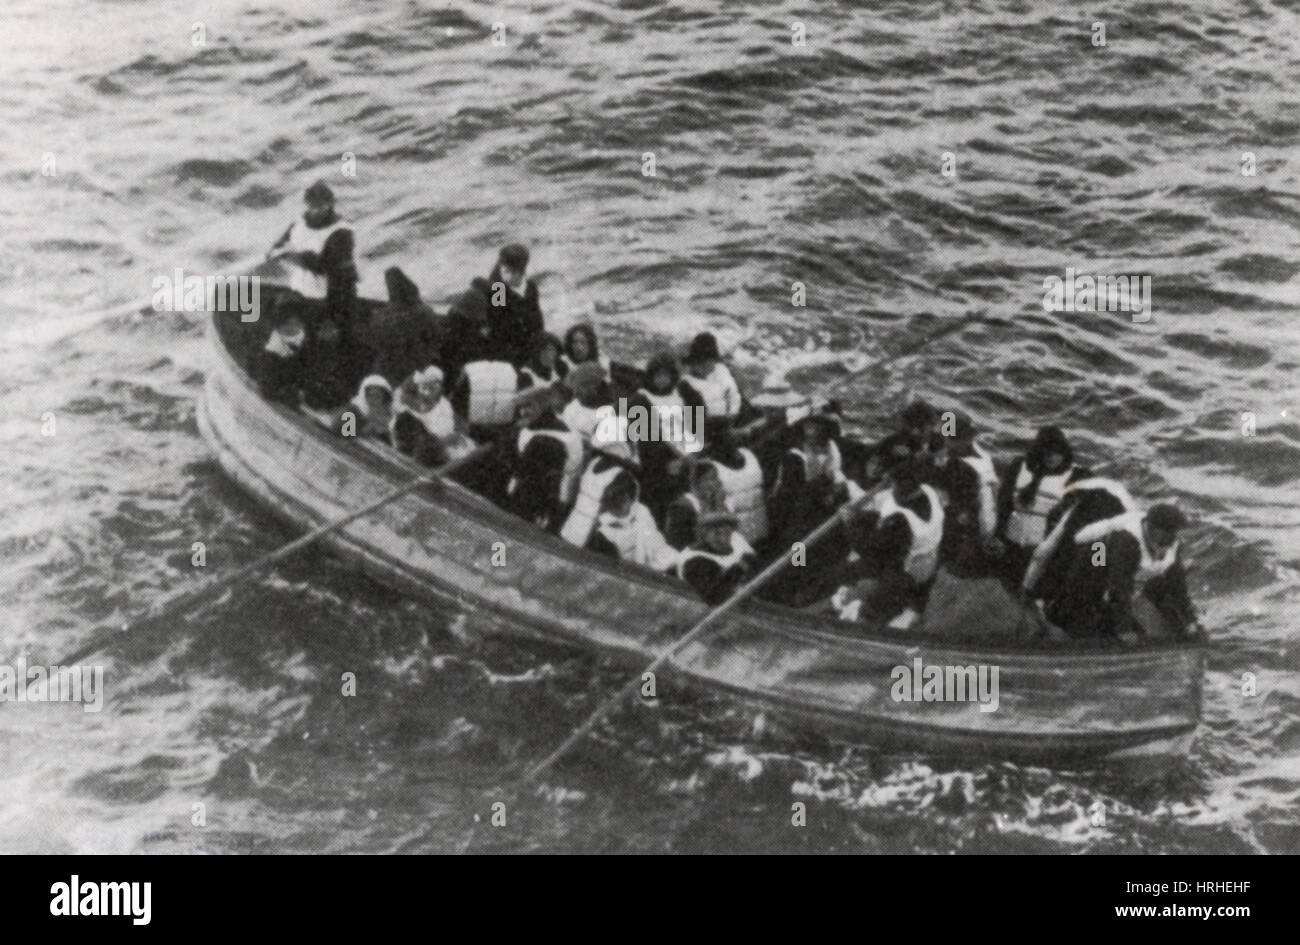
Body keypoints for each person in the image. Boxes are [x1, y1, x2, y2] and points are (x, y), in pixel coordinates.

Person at [1041, 502, 1199, 640]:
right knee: (1092, 582)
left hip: (1119, 559)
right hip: (1097, 546)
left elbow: (1178, 584)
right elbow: (1119, 585)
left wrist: (1190, 621)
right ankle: (1059, 613)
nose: (1173, 538)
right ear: (1153, 529)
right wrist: (1124, 629)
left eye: (1175, 532)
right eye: (1169, 532)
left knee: (1159, 586)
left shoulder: (1172, 542)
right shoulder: (1127, 540)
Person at [838, 457, 945, 628]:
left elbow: (869, 549)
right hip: (930, 562)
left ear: (900, 486)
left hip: (905, 575)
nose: (890, 488)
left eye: (892, 485)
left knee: (851, 571)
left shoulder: (901, 519)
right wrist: (860, 514)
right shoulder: (929, 491)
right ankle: (913, 611)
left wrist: (850, 523)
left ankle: (864, 615)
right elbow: (884, 513)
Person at [767, 407, 856, 585]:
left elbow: (837, 476)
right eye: (810, 425)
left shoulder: (832, 449)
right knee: (797, 550)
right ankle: (793, 581)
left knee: (819, 548)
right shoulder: (795, 457)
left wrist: (834, 491)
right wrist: (823, 486)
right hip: (796, 512)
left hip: (821, 508)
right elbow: (791, 492)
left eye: (818, 426)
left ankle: (812, 578)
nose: (813, 430)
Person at [996, 426, 1091, 586]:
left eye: (1057, 452)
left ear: (1065, 452)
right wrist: (998, 536)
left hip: (1042, 553)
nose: (1051, 457)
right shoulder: (1019, 466)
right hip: (1010, 545)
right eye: (1046, 451)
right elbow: (1003, 505)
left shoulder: (1077, 476)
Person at [443, 244, 543, 380]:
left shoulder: (529, 287)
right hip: (506, 353)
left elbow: (536, 320)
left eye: (517, 271)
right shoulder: (498, 289)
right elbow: (501, 323)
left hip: (524, 345)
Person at [268, 180, 358, 327]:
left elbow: (333, 272)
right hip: (299, 291)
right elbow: (278, 246)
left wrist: (297, 258)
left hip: (328, 299)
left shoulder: (342, 233)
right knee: (275, 310)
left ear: (331, 204)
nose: (315, 211)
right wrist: (276, 252)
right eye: (312, 206)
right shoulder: (298, 223)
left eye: (321, 206)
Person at [927, 410, 1000, 576]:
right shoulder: (942, 456)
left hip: (972, 514)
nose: (947, 443)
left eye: (952, 439)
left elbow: (991, 497)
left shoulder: (981, 460)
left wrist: (990, 531)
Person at [504, 385, 585, 532]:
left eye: (529, 406)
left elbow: (567, 474)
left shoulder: (558, 439)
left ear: (543, 406)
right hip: (528, 493)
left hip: (546, 501)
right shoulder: (529, 428)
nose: (523, 412)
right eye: (521, 407)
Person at [627, 351, 691, 521]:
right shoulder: (640, 399)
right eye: (658, 375)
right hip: (653, 466)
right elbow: (644, 440)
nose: (662, 380)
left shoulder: (678, 397)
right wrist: (668, 463)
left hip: (679, 461)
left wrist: (684, 459)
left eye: (666, 375)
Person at [579, 470, 679, 572]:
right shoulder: (600, 527)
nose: (621, 501)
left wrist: (670, 560)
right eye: (615, 496)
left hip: (650, 569)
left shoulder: (640, 511)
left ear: (630, 498)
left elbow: (656, 544)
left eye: (624, 497)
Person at [368, 267, 444, 387]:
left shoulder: (379, 316)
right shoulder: (423, 311)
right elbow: (437, 336)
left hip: (387, 372)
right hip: (417, 369)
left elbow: (374, 342)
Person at [705, 424, 769, 547]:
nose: (729, 438)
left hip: (763, 528)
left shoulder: (749, 454)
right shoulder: (710, 470)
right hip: (739, 541)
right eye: (721, 437)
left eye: (728, 433)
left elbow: (763, 489)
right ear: (714, 442)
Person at [677, 511, 756, 605]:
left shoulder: (737, 542)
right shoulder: (694, 560)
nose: (723, 539)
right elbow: (714, 596)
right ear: (704, 534)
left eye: (727, 533)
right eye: (717, 534)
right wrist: (737, 569)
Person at [391, 366, 455, 466]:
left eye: (434, 384)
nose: (429, 387)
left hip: (426, 444)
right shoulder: (407, 392)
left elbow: (444, 431)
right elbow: (394, 406)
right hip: (402, 434)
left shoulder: (444, 406)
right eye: (427, 382)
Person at [664, 459, 731, 550]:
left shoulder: (717, 500)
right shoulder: (682, 507)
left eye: (714, 478)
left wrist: (719, 504)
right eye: (706, 479)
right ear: (694, 483)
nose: (712, 484)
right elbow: (678, 544)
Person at [678, 332, 743, 425]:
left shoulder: (722, 373)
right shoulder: (686, 385)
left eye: (709, 360)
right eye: (700, 362)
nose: (705, 365)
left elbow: (736, 397)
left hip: (735, 421)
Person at [863, 400, 937, 482]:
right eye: (923, 429)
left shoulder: (927, 440)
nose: (929, 430)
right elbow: (873, 464)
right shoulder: (895, 440)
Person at [255, 308, 307, 407]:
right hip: (272, 355)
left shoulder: (301, 333)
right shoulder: (279, 328)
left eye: (297, 322)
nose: (293, 324)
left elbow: (295, 350)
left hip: (283, 360)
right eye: (292, 321)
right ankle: (270, 389)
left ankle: (276, 392)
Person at [560, 361, 613, 443]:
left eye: (595, 382)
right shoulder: (571, 411)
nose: (576, 392)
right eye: (575, 388)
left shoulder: (618, 400)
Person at [339, 374, 394, 443]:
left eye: (377, 396)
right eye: (370, 395)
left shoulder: (386, 424)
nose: (372, 400)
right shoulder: (350, 414)